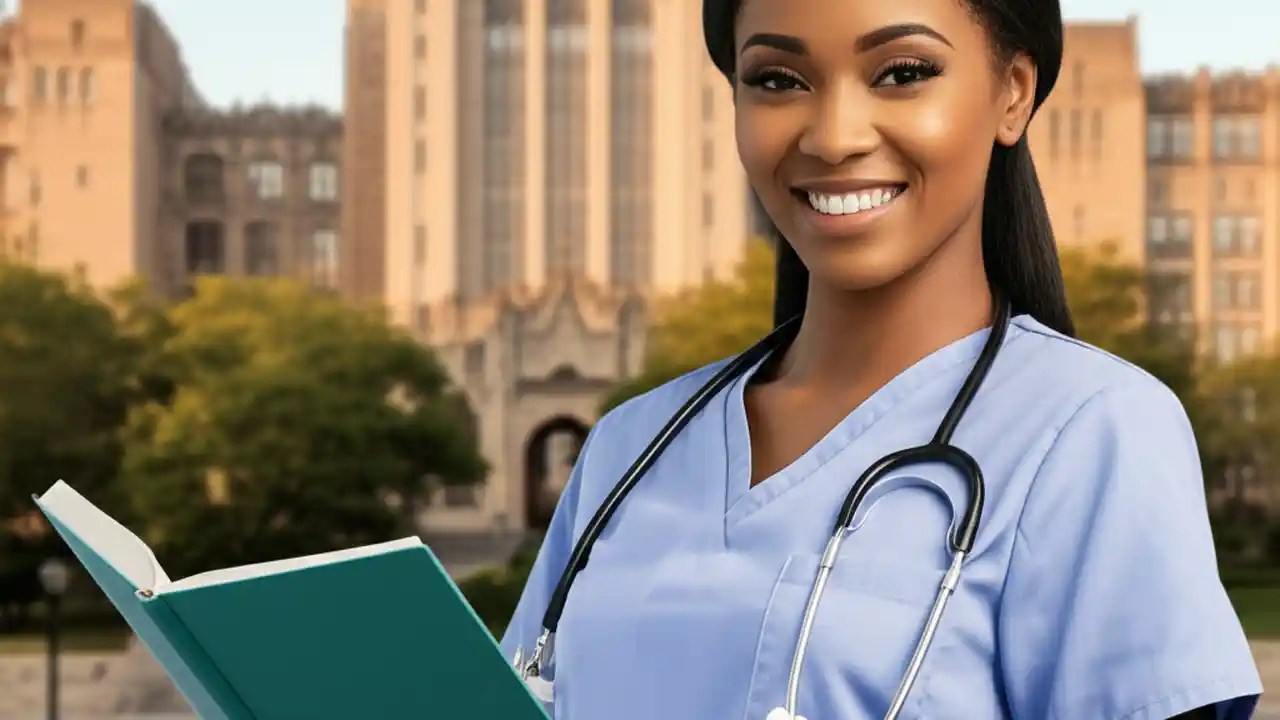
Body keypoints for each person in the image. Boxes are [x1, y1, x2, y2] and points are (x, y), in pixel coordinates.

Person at [500, 0, 1265, 717]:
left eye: (902, 74)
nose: (834, 136)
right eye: (777, 80)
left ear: (1013, 93)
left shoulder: (1093, 432)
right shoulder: (633, 445)